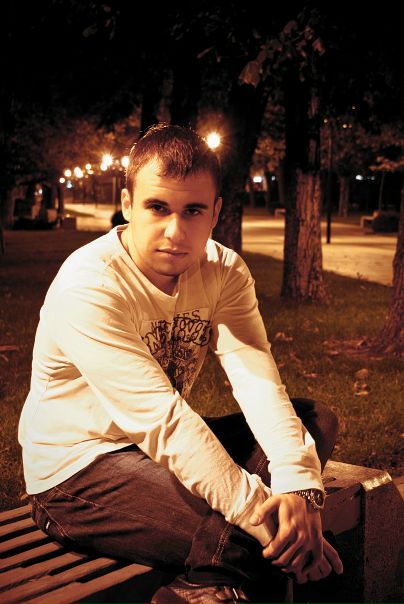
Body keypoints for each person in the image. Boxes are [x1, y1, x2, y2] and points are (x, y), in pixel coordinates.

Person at [18, 123, 343, 604]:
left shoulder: (224, 271)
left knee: (315, 419)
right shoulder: (89, 285)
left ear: (216, 212)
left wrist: (299, 487)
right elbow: (163, 422)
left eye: (193, 210)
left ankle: (208, 580)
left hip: (154, 449)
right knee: (263, 541)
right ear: (128, 205)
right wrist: (265, 514)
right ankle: (211, 580)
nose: (175, 231)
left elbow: (255, 378)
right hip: (77, 472)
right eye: (157, 207)